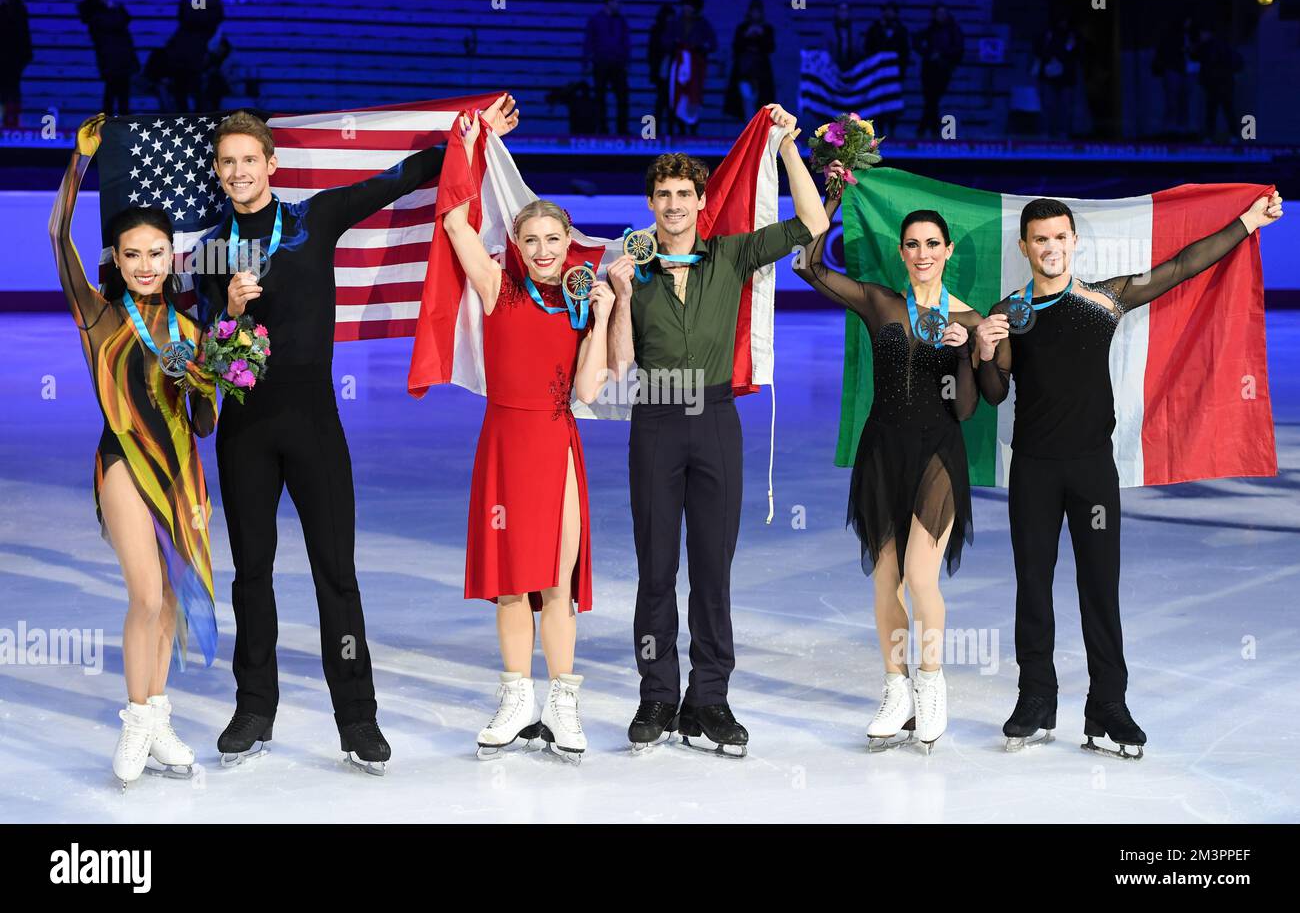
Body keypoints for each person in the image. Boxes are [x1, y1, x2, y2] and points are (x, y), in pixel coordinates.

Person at [191, 97, 520, 774]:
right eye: (227, 163)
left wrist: (474, 136)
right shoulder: (209, 252)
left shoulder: (315, 219)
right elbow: (205, 361)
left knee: (335, 573)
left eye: (249, 159)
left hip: (312, 419)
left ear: (272, 164)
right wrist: (225, 309)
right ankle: (253, 707)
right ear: (218, 172)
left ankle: (357, 717)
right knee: (252, 575)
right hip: (245, 426)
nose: (238, 171)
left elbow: (402, 176)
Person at [975, 191, 1283, 758]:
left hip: (1092, 470)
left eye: (1059, 237)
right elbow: (994, 396)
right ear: (1025, 246)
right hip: (1035, 471)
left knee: (1100, 589)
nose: (1050, 247)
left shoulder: (1104, 300)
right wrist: (986, 350)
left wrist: (1247, 221)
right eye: (1039, 239)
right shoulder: (1008, 313)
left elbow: (1182, 266)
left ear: (1073, 242)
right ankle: (1036, 698)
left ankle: (1107, 706)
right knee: (1032, 589)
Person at [606, 103, 829, 756]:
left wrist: (787, 147)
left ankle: (708, 699)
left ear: (703, 201)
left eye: (685, 194)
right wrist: (619, 296)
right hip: (653, 418)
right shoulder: (631, 262)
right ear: (650, 202)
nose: (674, 204)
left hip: (714, 417)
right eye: (663, 194)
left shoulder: (731, 253)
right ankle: (656, 695)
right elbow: (620, 365)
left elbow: (815, 222)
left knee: (712, 569)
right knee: (655, 567)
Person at [438, 111, 616, 763]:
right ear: (516, 242)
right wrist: (470, 140)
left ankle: (562, 704)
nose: (542, 249)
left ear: (570, 244)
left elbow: (590, 392)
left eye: (553, 239)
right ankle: (516, 697)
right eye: (531, 238)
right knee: (513, 582)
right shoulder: (495, 287)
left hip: (555, 441)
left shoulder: (579, 302)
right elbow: (456, 220)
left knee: (555, 583)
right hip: (504, 445)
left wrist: (599, 320)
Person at [51, 115, 219, 788]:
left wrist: (195, 378)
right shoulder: (99, 315)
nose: (146, 266)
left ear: (171, 258)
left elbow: (204, 422)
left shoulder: (188, 327)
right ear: (115, 260)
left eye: (156, 254)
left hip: (181, 470)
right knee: (146, 596)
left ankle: (157, 717)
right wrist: (77, 163)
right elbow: (57, 234)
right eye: (132, 255)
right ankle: (138, 722)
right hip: (121, 459)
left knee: (172, 600)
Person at [792, 166, 981, 753]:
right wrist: (832, 195)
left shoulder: (968, 318)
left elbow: (970, 409)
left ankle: (931, 682)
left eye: (932, 244)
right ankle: (895, 688)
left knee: (921, 577)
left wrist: (968, 352)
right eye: (913, 244)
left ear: (947, 251)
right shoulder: (880, 302)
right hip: (883, 450)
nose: (923, 253)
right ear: (901, 252)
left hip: (937, 455)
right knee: (886, 581)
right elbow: (809, 266)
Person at [78, 0, 139, 117]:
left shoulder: (103, 15)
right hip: (111, 59)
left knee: (120, 93)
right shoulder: (97, 17)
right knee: (113, 93)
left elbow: (125, 20)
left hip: (119, 58)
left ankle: (119, 123)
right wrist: (114, 9)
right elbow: (119, 22)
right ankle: (111, 124)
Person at [666, 0, 717, 135]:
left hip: (697, 68)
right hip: (678, 67)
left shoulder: (703, 24)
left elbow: (713, 44)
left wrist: (699, 47)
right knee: (679, 96)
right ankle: (680, 130)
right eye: (685, 5)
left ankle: (693, 130)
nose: (687, 9)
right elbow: (665, 41)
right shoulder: (675, 23)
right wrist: (675, 46)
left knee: (694, 96)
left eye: (690, 6)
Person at [584, 0, 630, 135]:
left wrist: (625, 60)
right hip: (601, 64)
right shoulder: (596, 19)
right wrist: (586, 61)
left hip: (618, 65)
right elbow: (589, 41)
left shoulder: (621, 21)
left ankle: (622, 129)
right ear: (609, 1)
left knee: (622, 98)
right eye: (617, 1)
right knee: (600, 98)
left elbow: (626, 42)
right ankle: (602, 129)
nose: (619, 5)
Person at [724, 0, 775, 124]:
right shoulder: (742, 29)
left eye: (758, 12)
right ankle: (748, 131)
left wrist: (761, 35)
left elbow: (770, 48)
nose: (755, 14)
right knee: (746, 103)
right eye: (753, 11)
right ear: (749, 12)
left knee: (761, 104)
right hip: (744, 72)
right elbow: (736, 46)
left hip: (761, 74)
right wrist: (747, 35)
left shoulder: (767, 29)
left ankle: (757, 133)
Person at [863, 2, 910, 138]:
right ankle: (880, 131)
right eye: (886, 10)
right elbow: (868, 48)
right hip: (878, 75)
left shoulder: (901, 29)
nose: (889, 13)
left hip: (894, 75)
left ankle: (892, 131)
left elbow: (905, 52)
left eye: (892, 11)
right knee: (880, 104)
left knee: (893, 104)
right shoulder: (875, 29)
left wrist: (901, 71)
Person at [916, 3, 963, 138]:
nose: (940, 16)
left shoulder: (953, 30)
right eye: (938, 13)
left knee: (933, 100)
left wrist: (942, 54)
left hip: (944, 70)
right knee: (930, 100)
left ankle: (925, 128)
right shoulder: (929, 29)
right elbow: (917, 42)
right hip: (928, 70)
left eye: (943, 13)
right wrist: (927, 53)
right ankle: (930, 129)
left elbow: (958, 49)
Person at [1033, 17, 1079, 140]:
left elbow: (1075, 54)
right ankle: (1045, 134)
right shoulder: (1047, 35)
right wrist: (1052, 58)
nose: (1063, 23)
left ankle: (1062, 134)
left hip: (1066, 79)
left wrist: (1064, 54)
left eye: (1065, 20)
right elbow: (1039, 51)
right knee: (1047, 106)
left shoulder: (1072, 36)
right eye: (1060, 20)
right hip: (1048, 78)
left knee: (1065, 108)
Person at [0, 0, 32, 128]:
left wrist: (25, 55)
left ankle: (12, 121)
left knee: (12, 90)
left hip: (14, 58)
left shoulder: (18, 11)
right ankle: (5, 120)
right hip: (5, 56)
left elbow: (24, 35)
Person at [648, 3, 676, 135]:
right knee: (661, 103)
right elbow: (652, 51)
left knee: (670, 103)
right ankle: (655, 132)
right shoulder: (658, 31)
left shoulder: (675, 32)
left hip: (673, 72)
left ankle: (670, 131)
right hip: (662, 72)